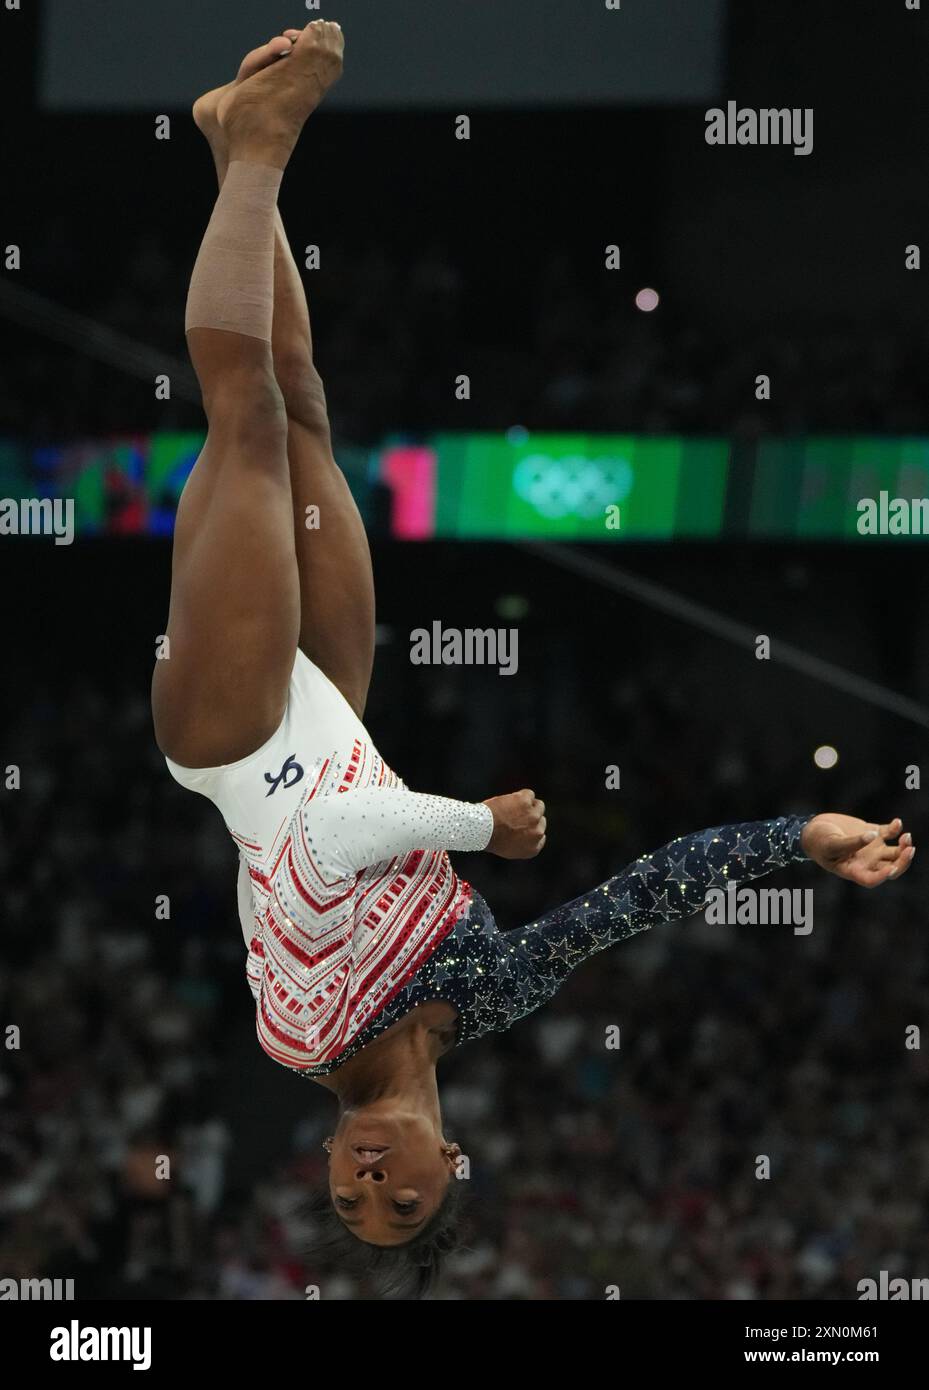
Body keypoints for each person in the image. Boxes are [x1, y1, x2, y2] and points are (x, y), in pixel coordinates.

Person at [151, 21, 915, 1294]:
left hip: (234, 736)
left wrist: (474, 823)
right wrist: (802, 840)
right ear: (456, 1166)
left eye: (352, 1197)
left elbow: (320, 844)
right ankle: (236, 144)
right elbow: (649, 889)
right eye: (401, 1198)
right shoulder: (495, 989)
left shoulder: (296, 1040)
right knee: (305, 408)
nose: (368, 1179)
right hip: (335, 705)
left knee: (244, 423)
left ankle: (260, 150)